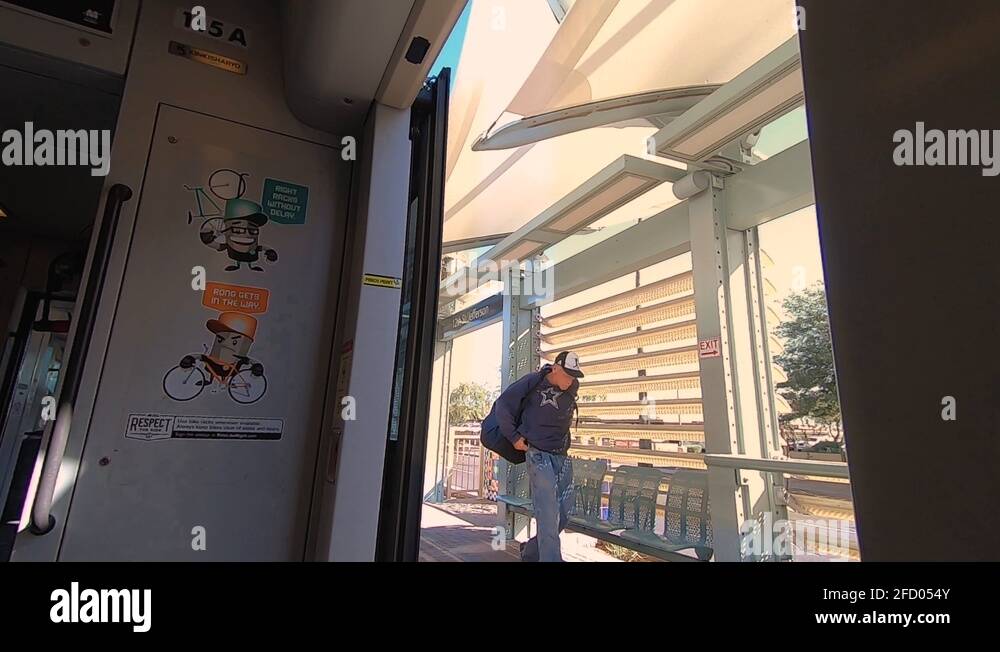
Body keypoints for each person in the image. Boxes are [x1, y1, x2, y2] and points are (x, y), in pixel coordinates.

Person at [492, 350, 584, 562]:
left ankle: (532, 552)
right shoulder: (533, 382)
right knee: (548, 512)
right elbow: (503, 405)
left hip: (561, 456)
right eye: (567, 374)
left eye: (574, 376)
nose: (571, 380)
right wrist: (514, 437)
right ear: (555, 368)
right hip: (538, 455)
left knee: (565, 512)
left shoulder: (573, 386)